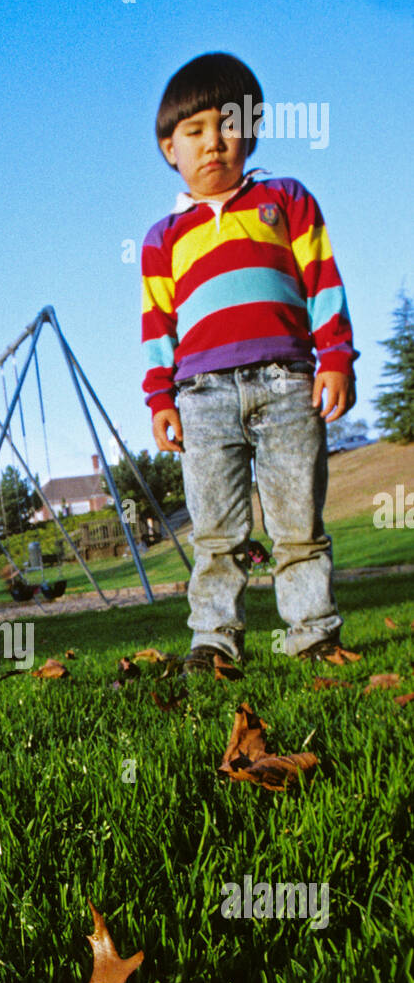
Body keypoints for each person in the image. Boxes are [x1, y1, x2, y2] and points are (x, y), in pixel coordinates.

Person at [141, 52, 358, 673]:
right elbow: (157, 325)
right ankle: (213, 643)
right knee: (215, 532)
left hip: (288, 385)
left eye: (227, 125)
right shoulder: (162, 239)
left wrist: (336, 356)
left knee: (298, 522)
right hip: (202, 398)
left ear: (252, 130)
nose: (214, 143)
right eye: (195, 131)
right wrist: (160, 399)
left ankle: (313, 634)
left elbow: (324, 282)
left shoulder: (285, 199)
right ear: (169, 148)